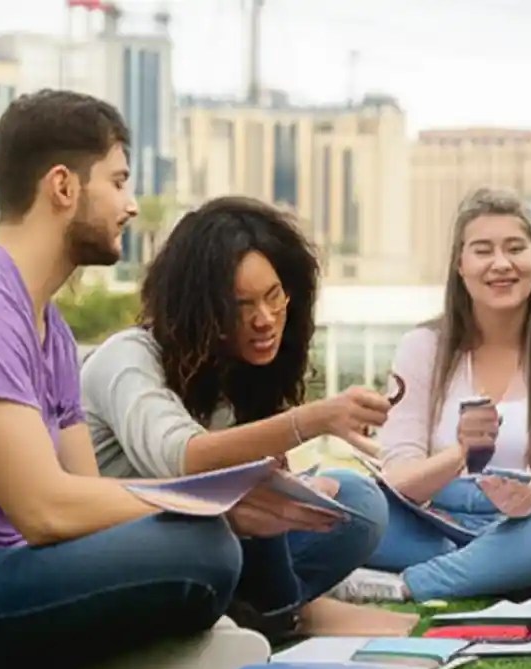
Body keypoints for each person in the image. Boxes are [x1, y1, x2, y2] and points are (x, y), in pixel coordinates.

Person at [0, 90, 334, 669]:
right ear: (63, 187)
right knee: (204, 550)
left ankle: (116, 649)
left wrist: (227, 497)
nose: (131, 205)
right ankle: (118, 651)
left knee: (237, 530)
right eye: (118, 182)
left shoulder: (53, 333)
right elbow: (44, 511)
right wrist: (201, 502)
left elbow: (89, 496)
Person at [79, 195, 417, 638]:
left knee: (359, 504)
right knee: (229, 527)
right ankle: (288, 615)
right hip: (133, 544)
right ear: (199, 309)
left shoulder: (240, 370)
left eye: (274, 297)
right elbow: (183, 459)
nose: (264, 320)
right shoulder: (129, 358)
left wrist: (295, 488)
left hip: (219, 533)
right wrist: (315, 419)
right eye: (240, 306)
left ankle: (266, 613)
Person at [341, 187, 531, 602]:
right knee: (336, 494)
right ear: (460, 264)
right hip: (430, 516)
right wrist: (459, 454)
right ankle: (504, 567)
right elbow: (400, 476)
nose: (501, 264)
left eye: (515, 248)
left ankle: (408, 585)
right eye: (483, 251)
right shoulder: (422, 346)